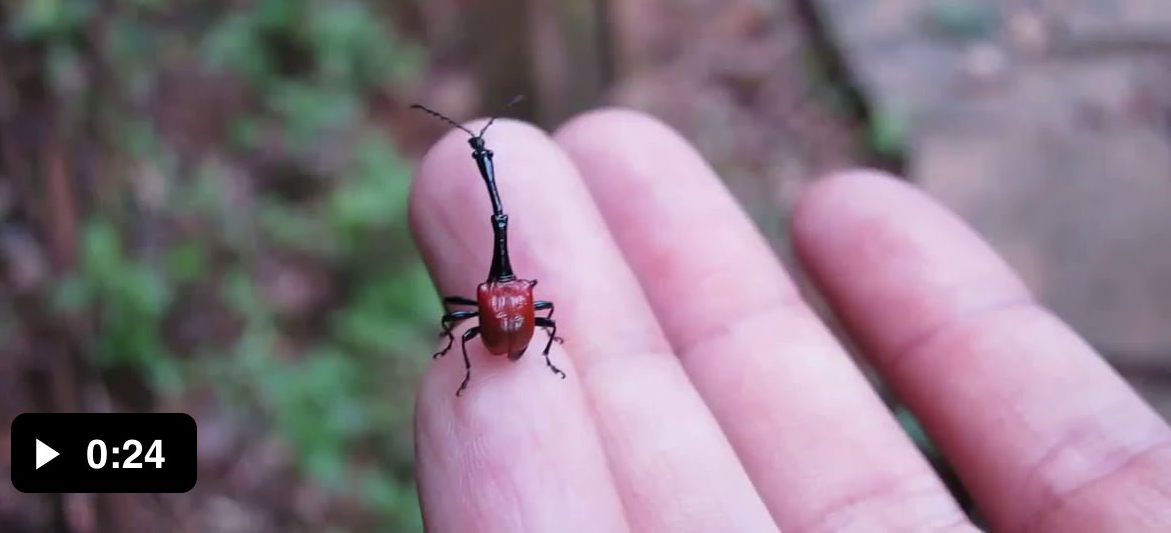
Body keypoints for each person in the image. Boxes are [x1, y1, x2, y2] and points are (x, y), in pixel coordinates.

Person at [407, 109, 1171, 532]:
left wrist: (492, 343)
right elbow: (519, 300)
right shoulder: (519, 302)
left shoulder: (501, 302)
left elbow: (503, 300)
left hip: (503, 335)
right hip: (511, 335)